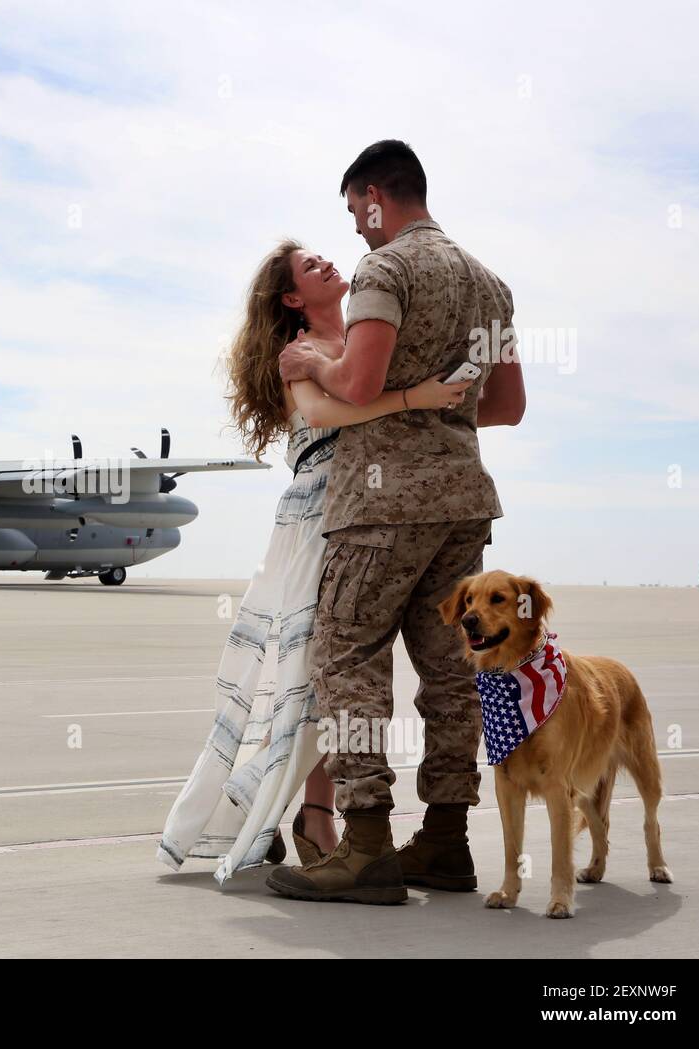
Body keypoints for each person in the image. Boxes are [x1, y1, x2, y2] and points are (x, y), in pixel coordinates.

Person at [156, 238, 471, 885]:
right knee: (321, 673)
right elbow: (333, 410)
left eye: (324, 256)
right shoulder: (298, 354)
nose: (328, 261)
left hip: (372, 506)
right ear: (294, 297)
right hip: (319, 513)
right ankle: (303, 816)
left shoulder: (368, 336)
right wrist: (421, 398)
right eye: (309, 266)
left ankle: (296, 813)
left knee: (334, 675)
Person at [267, 140, 526, 906]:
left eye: (355, 210)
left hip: (381, 506)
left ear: (378, 194)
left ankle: (368, 842)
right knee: (453, 674)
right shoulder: (492, 286)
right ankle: (446, 837)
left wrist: (310, 365)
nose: (355, 229)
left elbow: (361, 380)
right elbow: (507, 406)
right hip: (461, 503)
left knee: (347, 659)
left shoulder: (388, 270)